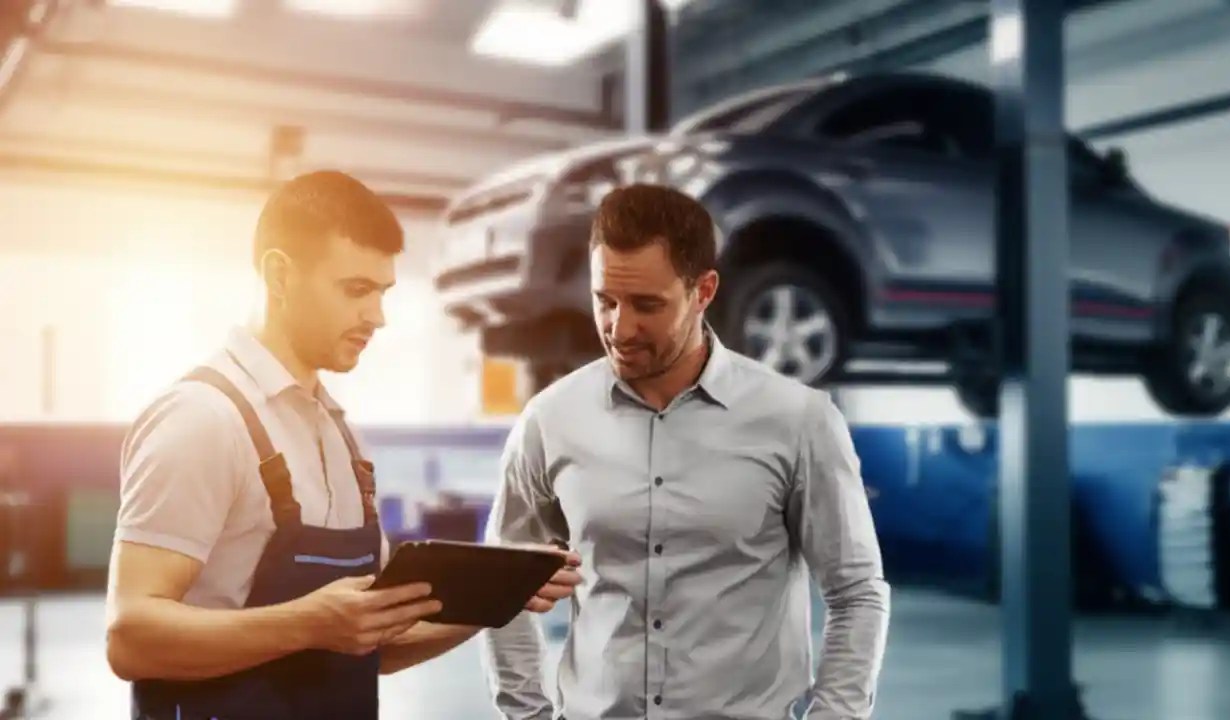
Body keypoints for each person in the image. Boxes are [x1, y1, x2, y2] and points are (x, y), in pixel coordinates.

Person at [105, 170, 582, 720]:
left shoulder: (339, 435)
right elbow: (130, 637)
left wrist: (503, 594)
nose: (377, 317)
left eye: (383, 293)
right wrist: (308, 623)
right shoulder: (201, 419)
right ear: (280, 275)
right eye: (356, 290)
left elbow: (367, 641)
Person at [482, 183, 891, 720]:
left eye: (647, 305)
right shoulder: (549, 420)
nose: (619, 328)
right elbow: (499, 582)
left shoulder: (798, 421)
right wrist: (527, 715)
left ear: (704, 290)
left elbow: (856, 593)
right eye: (605, 300)